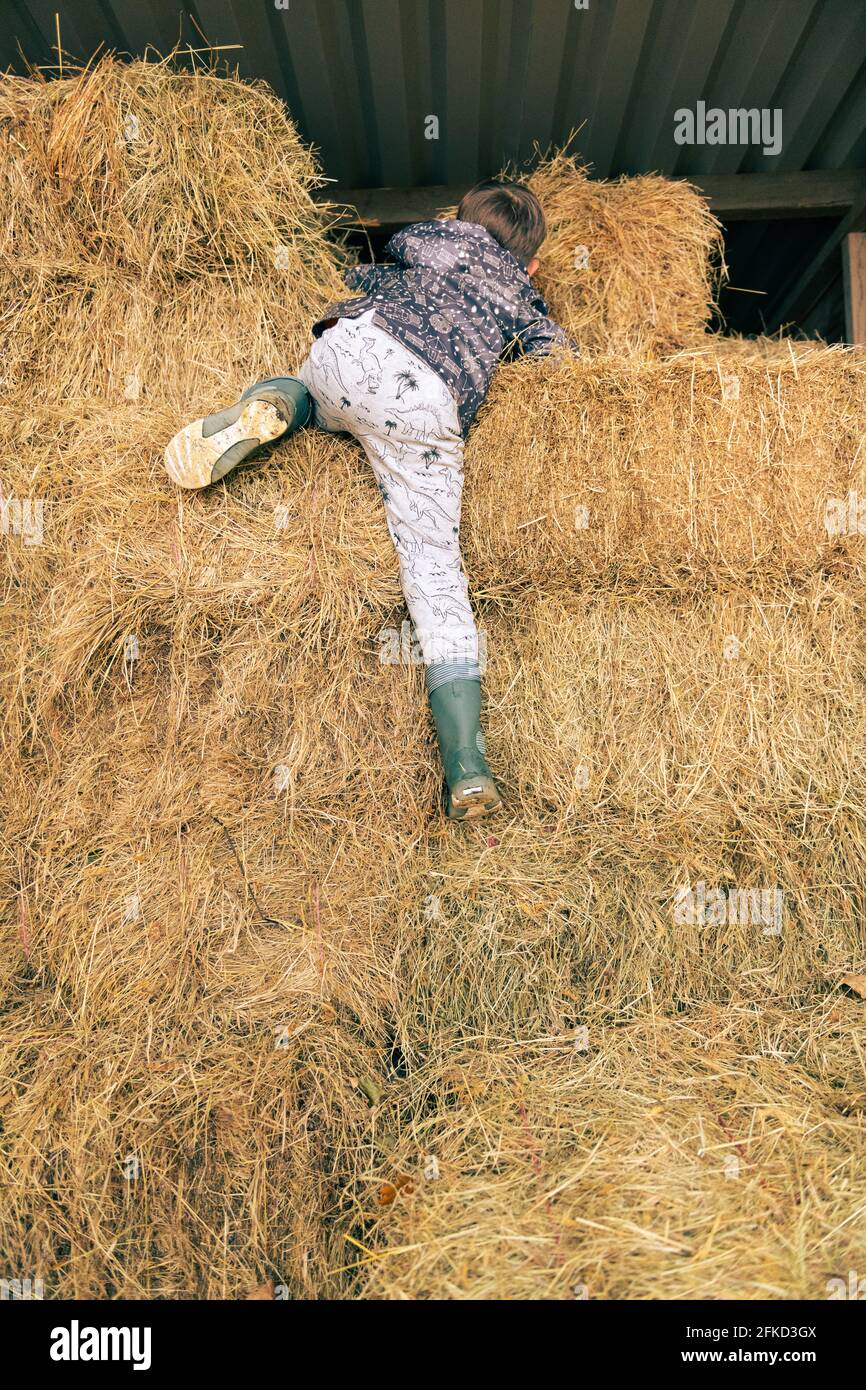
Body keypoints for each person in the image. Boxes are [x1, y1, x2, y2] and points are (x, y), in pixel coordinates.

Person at [164, 180, 573, 819]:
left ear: (456, 222)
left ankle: (272, 407)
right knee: (434, 571)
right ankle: (467, 766)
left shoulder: (420, 246)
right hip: (422, 404)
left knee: (311, 387)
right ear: (533, 263)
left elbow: (354, 281)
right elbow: (557, 361)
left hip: (351, 350)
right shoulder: (521, 295)